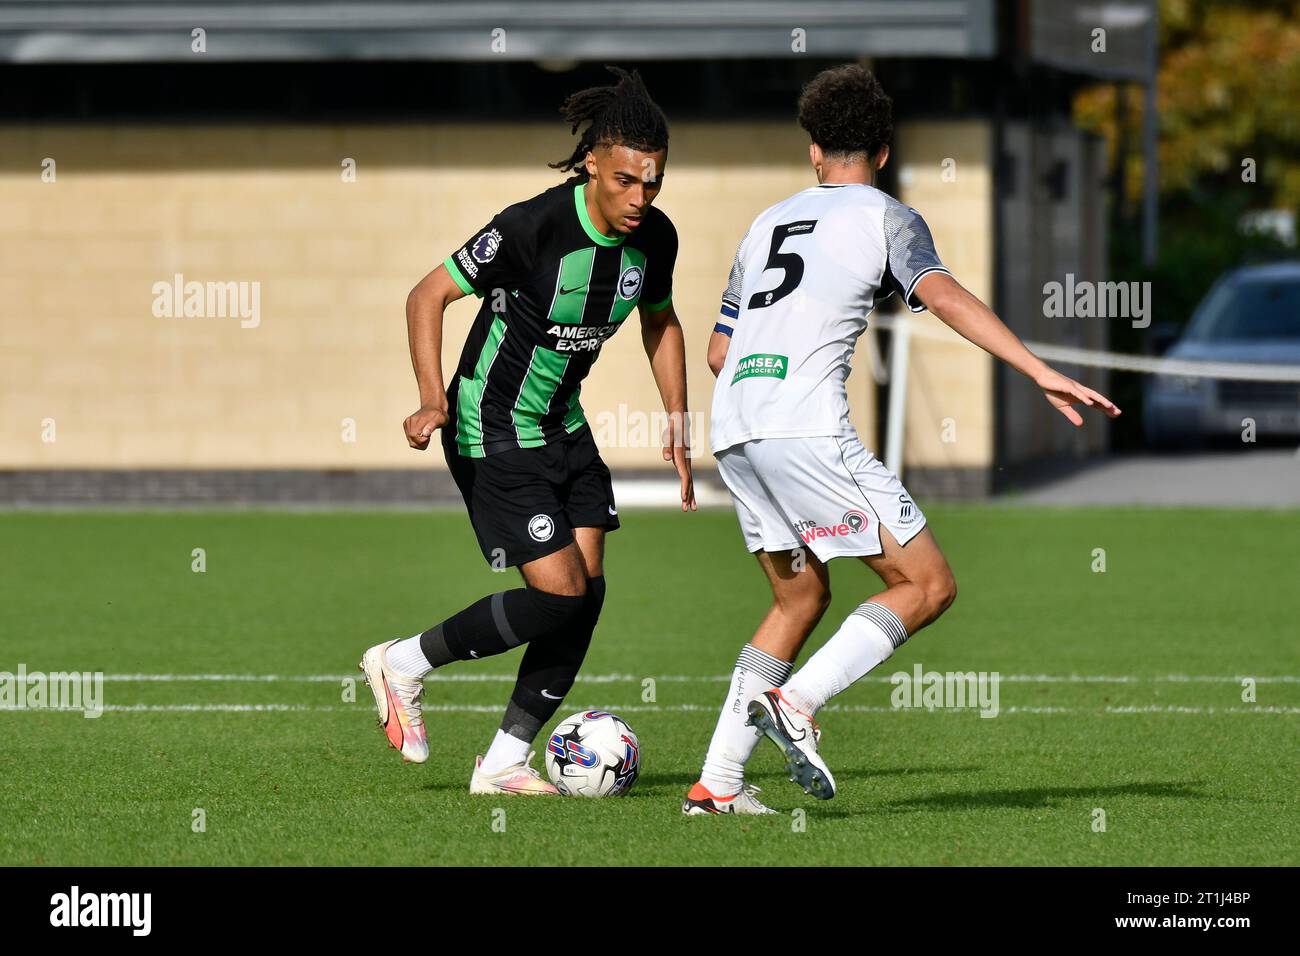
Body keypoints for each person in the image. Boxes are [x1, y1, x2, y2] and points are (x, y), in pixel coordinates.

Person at [683, 64, 1119, 814]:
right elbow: (941, 294)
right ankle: (799, 701)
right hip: (806, 427)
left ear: (814, 152)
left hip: (735, 429)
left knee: (798, 600)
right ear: (882, 152)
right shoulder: (887, 216)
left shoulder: (764, 224)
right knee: (927, 584)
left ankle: (716, 785)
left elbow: (720, 351)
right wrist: (1034, 367)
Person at [361, 67, 695, 796]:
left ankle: (505, 760)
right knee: (558, 595)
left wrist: (678, 420)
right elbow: (427, 294)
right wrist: (430, 398)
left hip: (563, 427)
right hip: (490, 425)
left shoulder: (654, 240)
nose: (641, 198)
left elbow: (661, 322)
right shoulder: (533, 227)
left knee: (589, 593)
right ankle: (403, 662)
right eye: (627, 181)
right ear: (594, 165)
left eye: (654, 183)